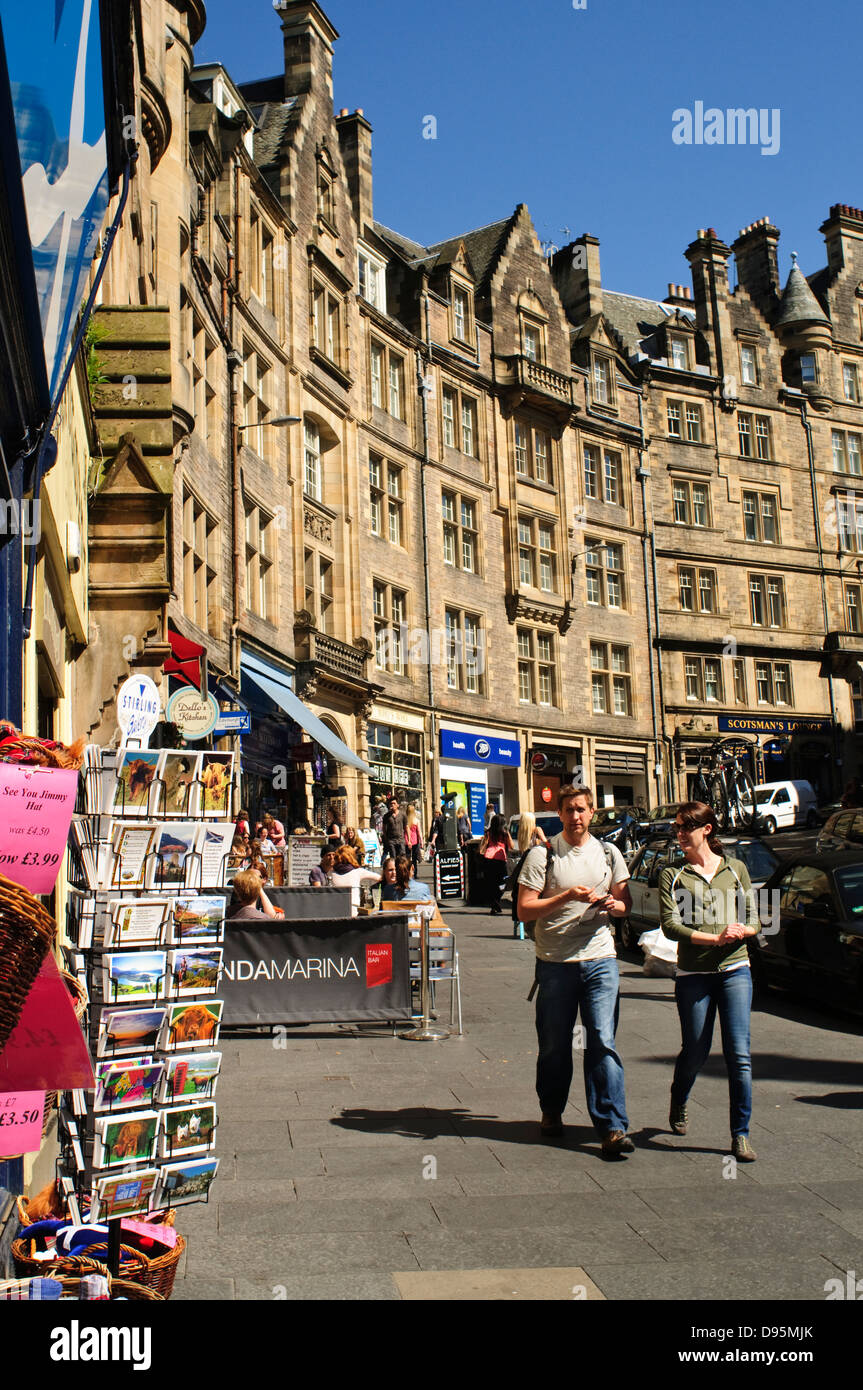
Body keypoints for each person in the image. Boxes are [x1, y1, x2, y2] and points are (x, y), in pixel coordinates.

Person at [517, 784, 633, 1158]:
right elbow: (524, 910)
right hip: (555, 963)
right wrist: (567, 896)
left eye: (582, 809)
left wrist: (613, 904)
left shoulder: (609, 853)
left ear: (591, 811)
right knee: (554, 1045)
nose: (576, 816)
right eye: (569, 810)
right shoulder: (543, 854)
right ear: (561, 814)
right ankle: (552, 1110)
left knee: (602, 1039)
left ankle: (612, 1126)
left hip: (600, 958)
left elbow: (624, 904)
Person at [659, 801, 760, 1163]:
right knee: (696, 1051)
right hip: (693, 975)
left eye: (686, 827)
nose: (680, 834)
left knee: (739, 1054)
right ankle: (680, 1098)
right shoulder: (672, 874)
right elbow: (671, 927)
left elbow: (757, 919)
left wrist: (742, 930)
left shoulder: (736, 870)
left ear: (707, 830)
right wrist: (713, 939)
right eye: (677, 828)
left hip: (736, 970)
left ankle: (741, 1134)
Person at [479, 814, 513, 915]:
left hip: (488, 859)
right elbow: (511, 846)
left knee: (491, 883)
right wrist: (508, 834)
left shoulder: (488, 833)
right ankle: (496, 901)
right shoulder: (505, 834)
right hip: (500, 859)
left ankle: (494, 903)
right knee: (502, 883)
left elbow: (483, 846)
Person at [330, 846, 382, 914]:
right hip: (353, 910)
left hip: (335, 910)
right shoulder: (358, 872)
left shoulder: (330, 873)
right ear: (352, 857)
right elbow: (380, 878)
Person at [382, 795, 408, 864]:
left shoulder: (403, 814)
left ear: (397, 805)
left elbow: (406, 827)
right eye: (391, 803)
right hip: (391, 840)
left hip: (400, 839)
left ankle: (402, 872)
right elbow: (384, 828)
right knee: (393, 857)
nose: (392, 805)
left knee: (402, 858)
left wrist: (409, 840)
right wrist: (386, 839)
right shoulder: (386, 816)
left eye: (394, 803)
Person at [405, 805, 423, 877]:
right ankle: (415, 873)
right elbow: (419, 831)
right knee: (414, 858)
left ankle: (407, 873)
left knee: (407, 858)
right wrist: (421, 840)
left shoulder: (405, 820)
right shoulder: (416, 820)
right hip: (415, 840)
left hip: (406, 840)